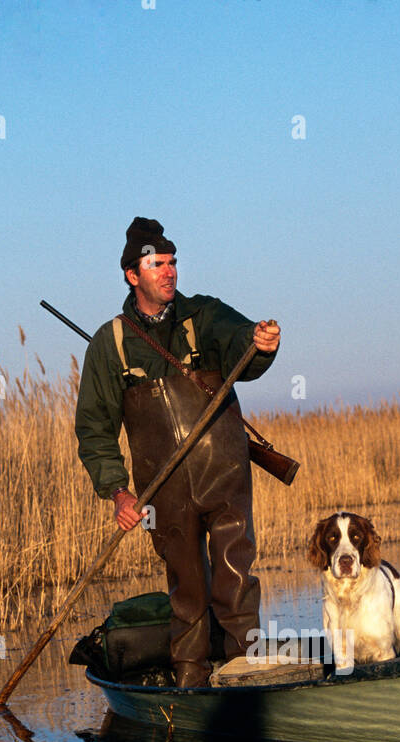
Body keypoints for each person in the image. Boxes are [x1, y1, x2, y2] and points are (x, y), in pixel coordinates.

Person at [75, 217, 280, 687]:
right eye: (157, 264)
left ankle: (245, 671)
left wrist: (261, 342)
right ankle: (190, 681)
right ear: (133, 274)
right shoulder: (110, 344)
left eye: (172, 263)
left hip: (222, 471)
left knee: (234, 574)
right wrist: (119, 493)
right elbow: (94, 427)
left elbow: (240, 342)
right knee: (186, 587)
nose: (169, 272)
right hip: (162, 490)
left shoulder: (203, 316)